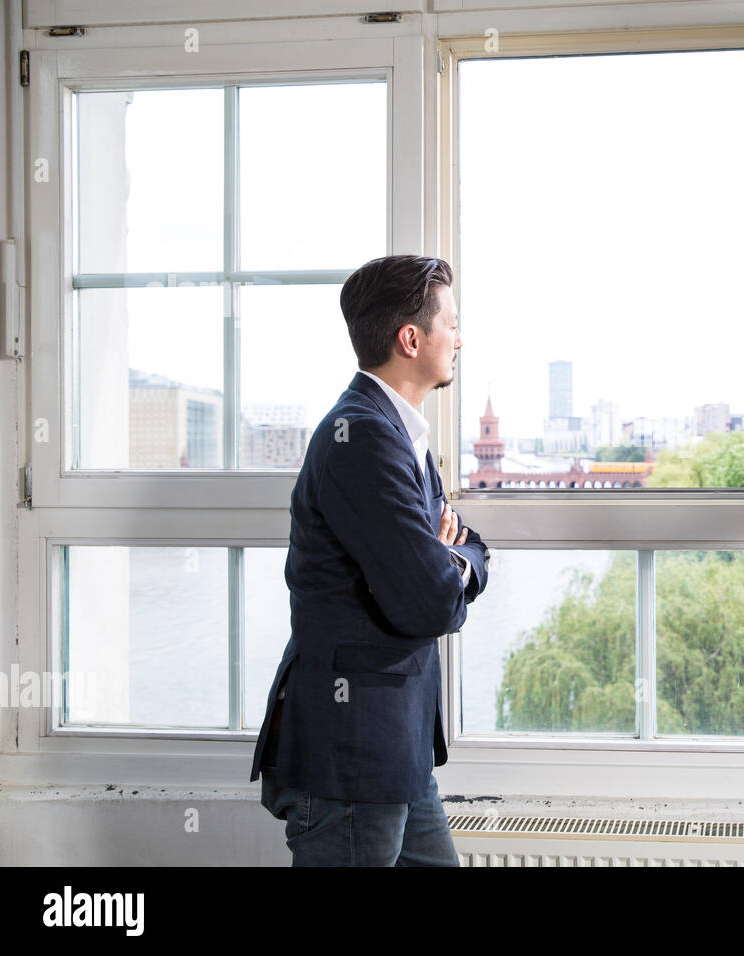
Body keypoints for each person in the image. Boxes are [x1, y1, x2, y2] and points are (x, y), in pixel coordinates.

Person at [250, 254, 490, 866]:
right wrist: (444, 563)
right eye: (452, 324)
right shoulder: (363, 438)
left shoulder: (400, 431)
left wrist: (450, 558)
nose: (460, 338)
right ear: (412, 338)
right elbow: (429, 600)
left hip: (394, 750)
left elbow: (470, 547)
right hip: (353, 755)